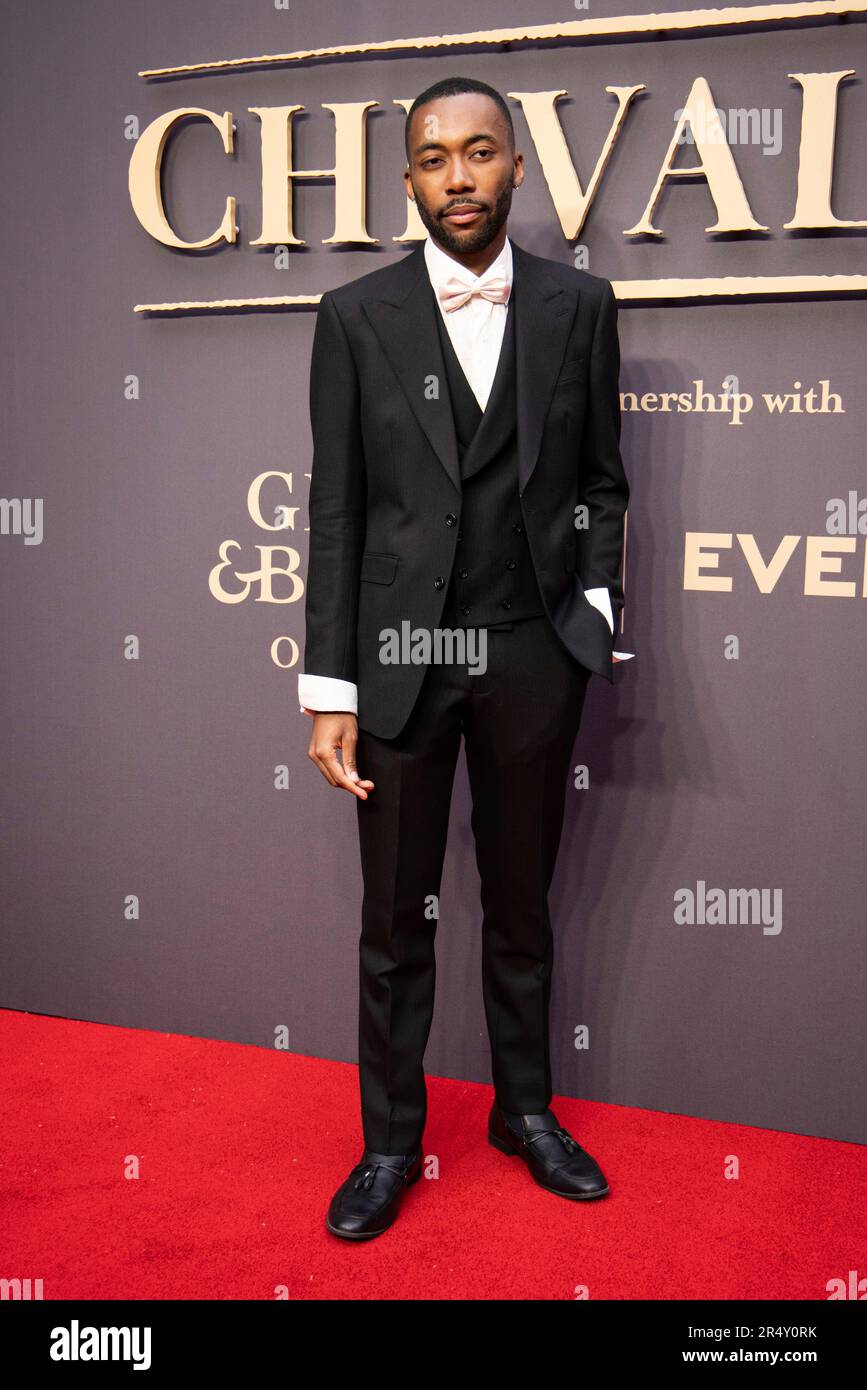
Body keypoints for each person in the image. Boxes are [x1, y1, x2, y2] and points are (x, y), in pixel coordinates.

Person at [298, 76, 629, 1239]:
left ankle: (524, 1111)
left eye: (480, 154)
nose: (459, 178)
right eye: (434, 160)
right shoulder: (352, 315)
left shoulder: (580, 307)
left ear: (516, 166)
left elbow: (600, 482)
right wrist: (329, 685)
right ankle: (391, 1141)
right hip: (398, 655)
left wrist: (590, 605)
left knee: (523, 901)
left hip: (531, 652)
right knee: (395, 913)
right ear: (407, 181)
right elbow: (335, 509)